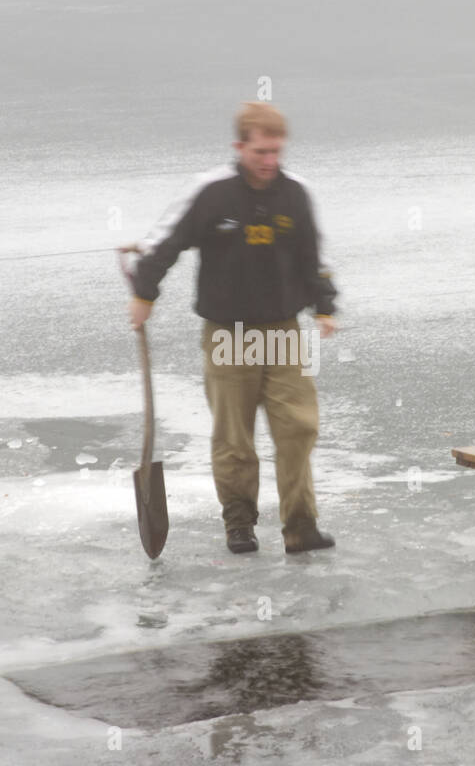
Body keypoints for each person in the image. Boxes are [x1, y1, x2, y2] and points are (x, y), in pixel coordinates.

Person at [124, 101, 339, 555]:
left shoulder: (295, 194)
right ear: (239, 146)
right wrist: (144, 294)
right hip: (228, 334)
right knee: (234, 435)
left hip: (284, 332)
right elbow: (165, 244)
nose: (269, 161)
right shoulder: (212, 193)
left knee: (298, 427)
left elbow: (313, 256)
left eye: (276, 151)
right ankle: (239, 523)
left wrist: (325, 305)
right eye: (260, 151)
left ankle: (301, 526)